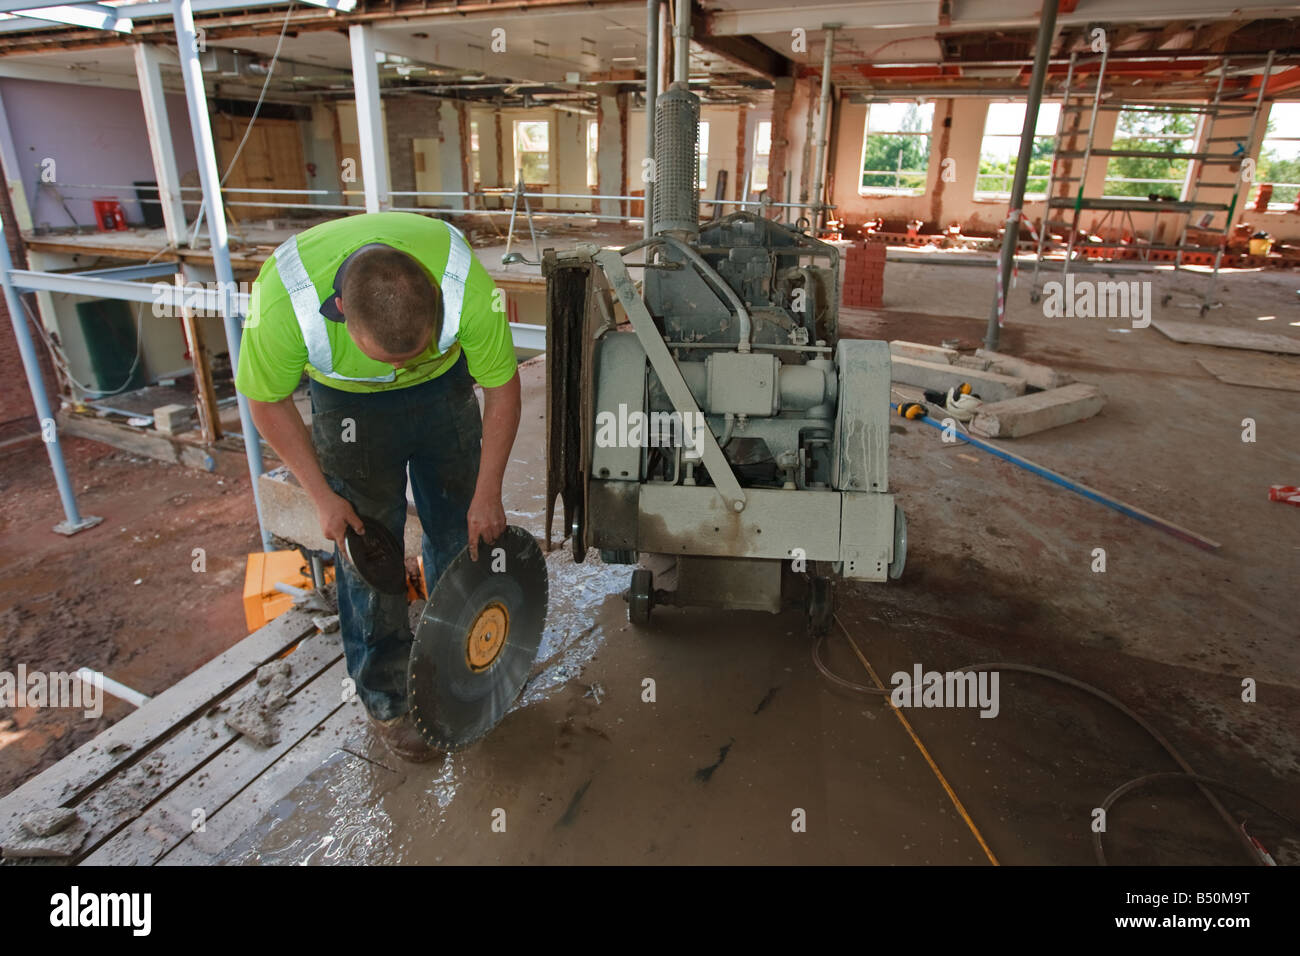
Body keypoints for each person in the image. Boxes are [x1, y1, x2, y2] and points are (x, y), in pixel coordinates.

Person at [234, 211, 521, 761]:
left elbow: (503, 392)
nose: (401, 369)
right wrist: (322, 496)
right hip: (349, 406)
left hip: (446, 390)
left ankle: (463, 657)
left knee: (465, 537)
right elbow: (265, 402)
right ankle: (387, 698)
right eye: (391, 359)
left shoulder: (465, 284)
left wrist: (489, 495)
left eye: (413, 352)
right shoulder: (282, 301)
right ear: (340, 313)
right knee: (369, 553)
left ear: (435, 301)